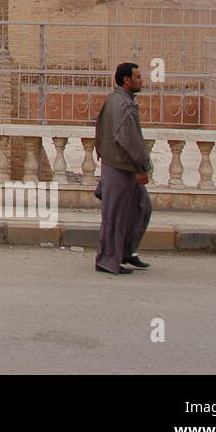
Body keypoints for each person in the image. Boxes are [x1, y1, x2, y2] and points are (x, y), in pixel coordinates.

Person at [93, 62, 154, 274]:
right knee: (115, 214)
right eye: (138, 77)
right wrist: (141, 167)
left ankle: (127, 252)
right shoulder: (121, 104)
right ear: (126, 80)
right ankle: (108, 260)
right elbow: (128, 139)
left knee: (141, 208)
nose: (141, 80)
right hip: (121, 166)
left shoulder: (117, 100)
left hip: (118, 164)